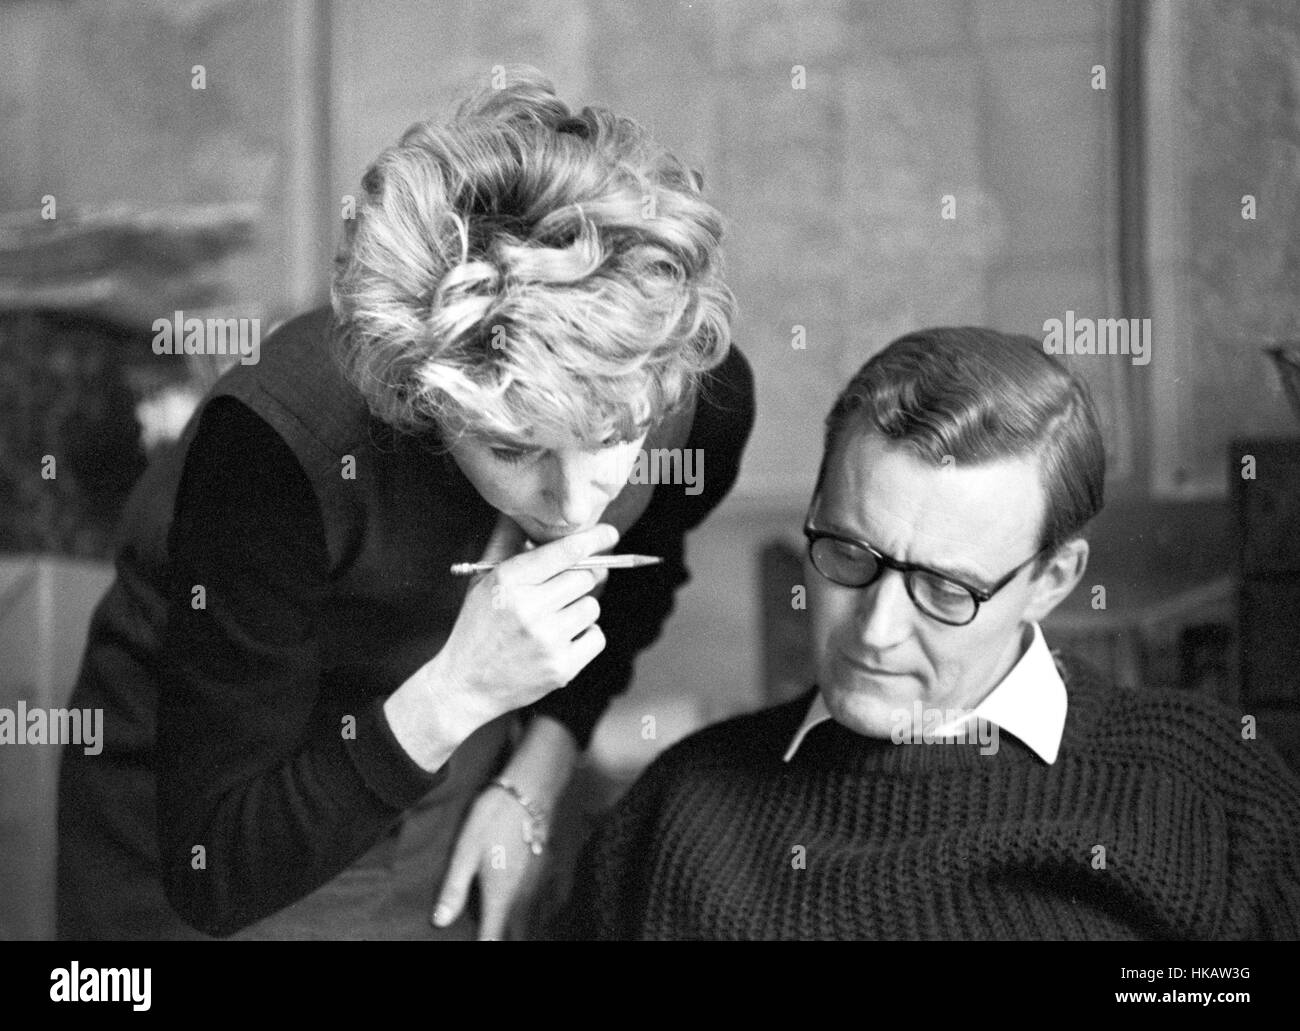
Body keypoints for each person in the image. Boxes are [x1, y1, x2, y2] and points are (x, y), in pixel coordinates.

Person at [57, 67, 754, 940]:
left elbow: (641, 575)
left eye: (617, 434)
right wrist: (459, 692)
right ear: (423, 401)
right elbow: (216, 866)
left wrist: (530, 778)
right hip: (226, 790)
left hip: (449, 753)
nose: (579, 509)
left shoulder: (695, 382)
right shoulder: (276, 451)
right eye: (512, 447)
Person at [563, 327, 1300, 940]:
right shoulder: (680, 811)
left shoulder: (1209, 794)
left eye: (946, 588)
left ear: (1052, 579)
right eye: (849, 554)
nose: (876, 631)